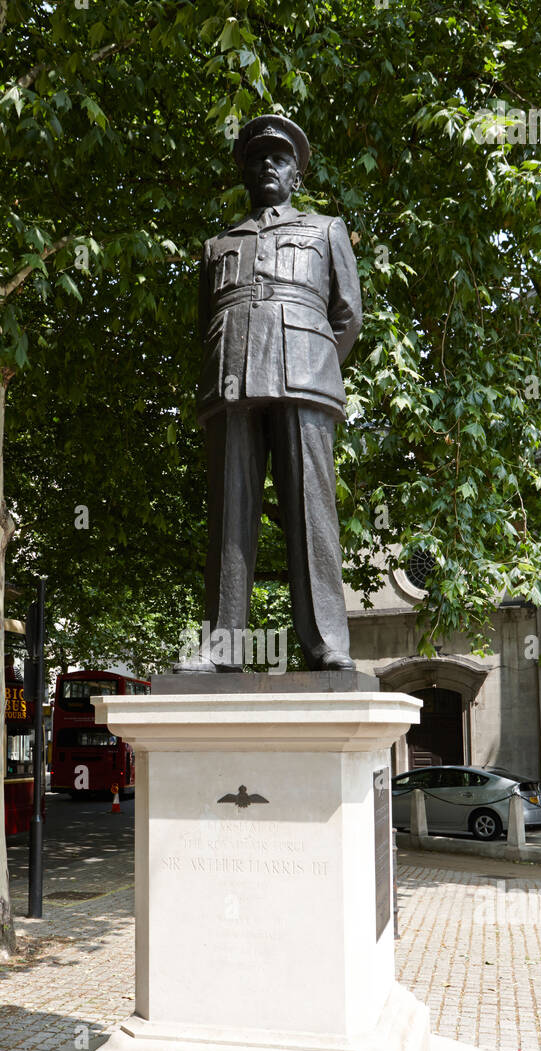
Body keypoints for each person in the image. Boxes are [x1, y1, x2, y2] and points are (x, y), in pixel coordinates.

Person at [186, 114, 363, 673]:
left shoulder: (326, 230)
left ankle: (325, 641)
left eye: (280, 158)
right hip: (231, 376)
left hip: (304, 375)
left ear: (296, 175)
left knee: (312, 510)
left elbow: (348, 315)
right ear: (245, 172)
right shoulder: (217, 245)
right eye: (258, 157)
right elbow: (205, 322)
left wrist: (312, 362)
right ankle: (221, 647)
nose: (268, 165)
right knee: (228, 516)